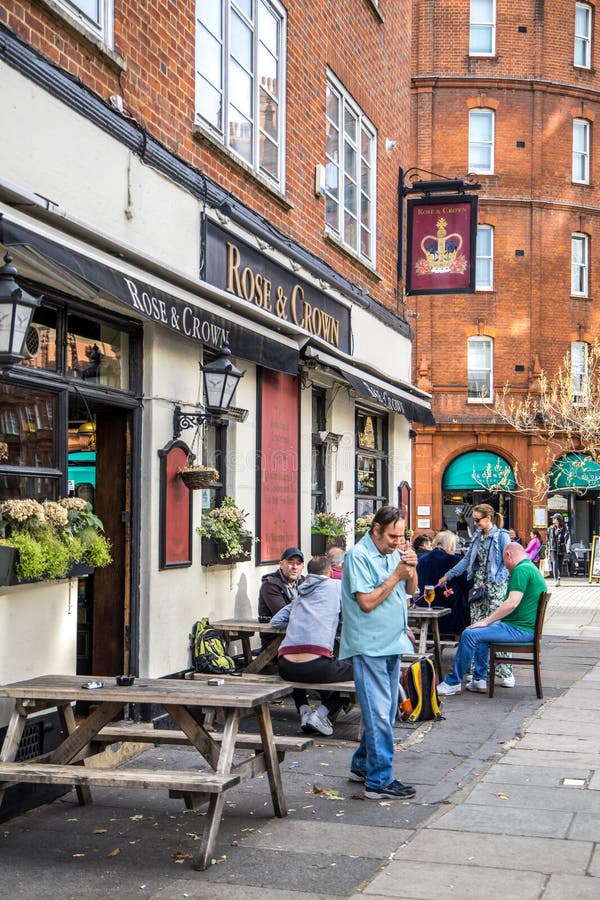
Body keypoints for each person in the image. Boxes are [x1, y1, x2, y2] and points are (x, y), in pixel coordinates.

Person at [340, 505, 418, 801]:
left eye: (401, 536)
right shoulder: (358, 556)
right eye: (392, 537)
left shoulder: (394, 553)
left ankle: (363, 764)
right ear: (376, 530)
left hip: (393, 641)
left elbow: (412, 590)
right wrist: (398, 574)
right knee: (378, 715)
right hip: (369, 644)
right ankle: (379, 780)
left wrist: (412, 567)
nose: (397, 542)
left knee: (385, 712)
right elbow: (367, 602)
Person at [437, 542, 546, 695]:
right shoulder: (530, 568)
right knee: (480, 633)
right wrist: (487, 623)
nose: (505, 566)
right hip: (523, 628)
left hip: (519, 630)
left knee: (469, 634)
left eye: (504, 561)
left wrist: (486, 621)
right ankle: (478, 680)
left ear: (508, 555)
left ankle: (453, 682)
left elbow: (511, 603)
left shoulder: (521, 570)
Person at [271, 556, 352, 736]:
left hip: (285, 665)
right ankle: (321, 713)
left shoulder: (300, 592)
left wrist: (300, 622)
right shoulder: (337, 587)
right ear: (330, 572)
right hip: (317, 665)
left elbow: (276, 621)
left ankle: (304, 710)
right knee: (362, 671)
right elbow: (349, 618)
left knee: (299, 677)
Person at [439, 503, 514, 687]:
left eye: (477, 520)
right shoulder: (477, 538)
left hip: (496, 588)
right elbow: (466, 561)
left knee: (497, 630)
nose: (474, 523)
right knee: (476, 629)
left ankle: (504, 673)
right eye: (474, 520)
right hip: (479, 588)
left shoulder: (502, 536)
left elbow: (511, 559)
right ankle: (479, 674)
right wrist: (448, 575)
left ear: (488, 518)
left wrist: (506, 580)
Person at [416, 530, 470, 635]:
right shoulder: (453, 560)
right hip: (451, 613)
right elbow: (467, 583)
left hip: (427, 607)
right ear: (450, 545)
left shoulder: (422, 559)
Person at [258, 547, 305, 647]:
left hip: (300, 635)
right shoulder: (270, 584)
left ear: (302, 567)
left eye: (298, 563)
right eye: (290, 562)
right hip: (276, 641)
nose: (294, 567)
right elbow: (283, 615)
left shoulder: (305, 582)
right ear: (281, 565)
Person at [546, 514, 570, 586]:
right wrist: (547, 550)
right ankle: (556, 579)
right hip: (553, 548)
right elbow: (548, 540)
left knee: (560, 564)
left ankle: (559, 578)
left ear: (558, 520)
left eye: (554, 518)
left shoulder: (564, 528)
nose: (552, 520)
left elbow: (567, 538)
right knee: (554, 562)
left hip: (561, 547)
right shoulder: (550, 528)